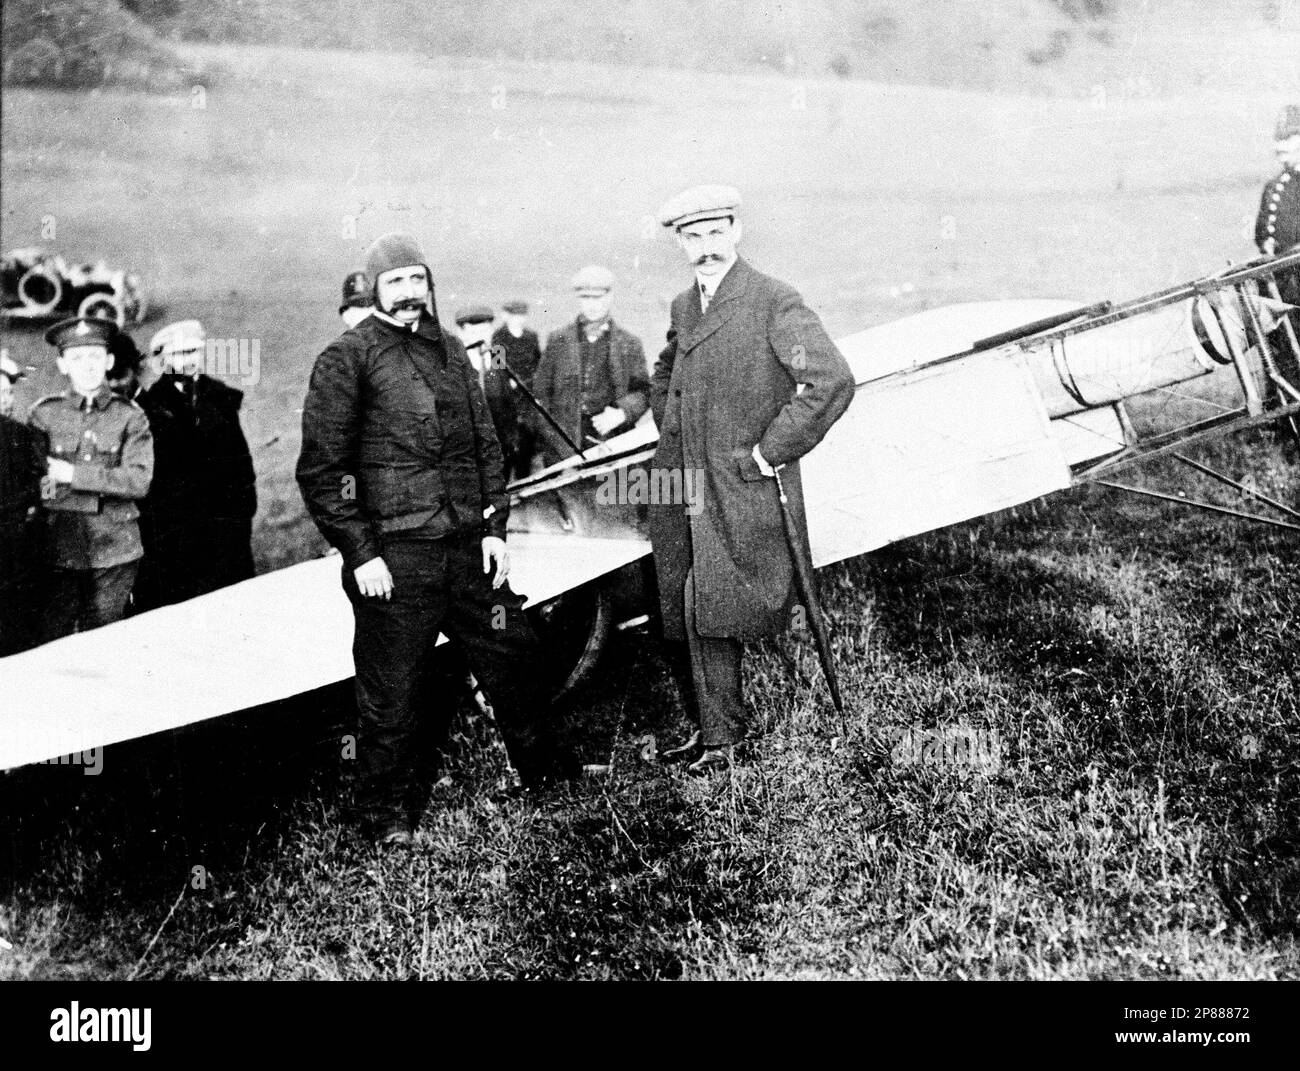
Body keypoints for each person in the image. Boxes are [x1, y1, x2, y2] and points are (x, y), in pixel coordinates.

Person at [296, 231, 575, 848]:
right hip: (396, 562)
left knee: (516, 654)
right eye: (395, 281)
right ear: (373, 289)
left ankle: (551, 779)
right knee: (393, 693)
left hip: (466, 552)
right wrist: (360, 551)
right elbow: (324, 469)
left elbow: (483, 446)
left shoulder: (449, 349)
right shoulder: (347, 358)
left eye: (417, 279)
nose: (409, 291)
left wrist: (494, 528)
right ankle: (384, 820)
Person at [648, 185, 855, 773]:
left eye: (716, 231)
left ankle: (724, 739)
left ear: (736, 231)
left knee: (716, 600)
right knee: (688, 600)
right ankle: (716, 730)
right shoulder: (685, 306)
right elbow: (668, 369)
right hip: (685, 482)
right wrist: (673, 426)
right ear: (680, 243)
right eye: (693, 235)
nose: (706, 246)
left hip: (741, 482)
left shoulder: (772, 300)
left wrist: (771, 452)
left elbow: (831, 379)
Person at [27, 317, 154, 640]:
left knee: (106, 639)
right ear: (62, 365)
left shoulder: (130, 416)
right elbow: (36, 482)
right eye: (77, 358)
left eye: (95, 356)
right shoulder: (43, 414)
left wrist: (73, 475)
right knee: (54, 639)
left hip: (116, 550)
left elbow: (138, 481)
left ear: (109, 361)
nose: (87, 367)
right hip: (60, 548)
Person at [129, 319, 257, 611]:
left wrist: (241, 515)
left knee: (231, 601)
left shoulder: (220, 397)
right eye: (180, 354)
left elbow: (240, 463)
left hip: (224, 525)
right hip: (174, 530)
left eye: (194, 352)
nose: (189, 360)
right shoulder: (148, 406)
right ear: (163, 359)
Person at [532, 266, 649, 464]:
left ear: (610, 297)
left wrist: (622, 412)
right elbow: (540, 395)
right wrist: (555, 442)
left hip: (613, 445)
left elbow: (645, 392)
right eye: (586, 298)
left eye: (598, 298)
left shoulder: (629, 343)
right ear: (578, 298)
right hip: (563, 451)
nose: (592, 305)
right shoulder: (558, 340)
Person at [1, 352, 48, 655]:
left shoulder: (26, 437)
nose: (5, 400)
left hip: (19, 559)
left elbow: (44, 490)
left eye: (8, 392)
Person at [455, 304, 521, 480]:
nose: (481, 338)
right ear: (462, 333)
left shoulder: (497, 355)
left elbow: (507, 398)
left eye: (485, 332)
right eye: (474, 332)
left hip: (499, 443)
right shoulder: (454, 363)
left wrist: (512, 437)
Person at [1256, 105, 1300, 305]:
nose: (1279, 146)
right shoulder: (1273, 187)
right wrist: (1268, 246)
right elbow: (1263, 233)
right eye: (1278, 140)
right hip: (1283, 285)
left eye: (1287, 139)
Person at [493, 299, 542, 475]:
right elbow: (497, 368)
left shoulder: (531, 336)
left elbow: (538, 364)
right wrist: (510, 383)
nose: (518, 319)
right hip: (508, 398)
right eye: (514, 315)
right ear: (505, 315)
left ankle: (525, 481)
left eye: (521, 315)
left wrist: (533, 387)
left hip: (527, 397)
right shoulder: (499, 337)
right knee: (507, 444)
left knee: (527, 443)